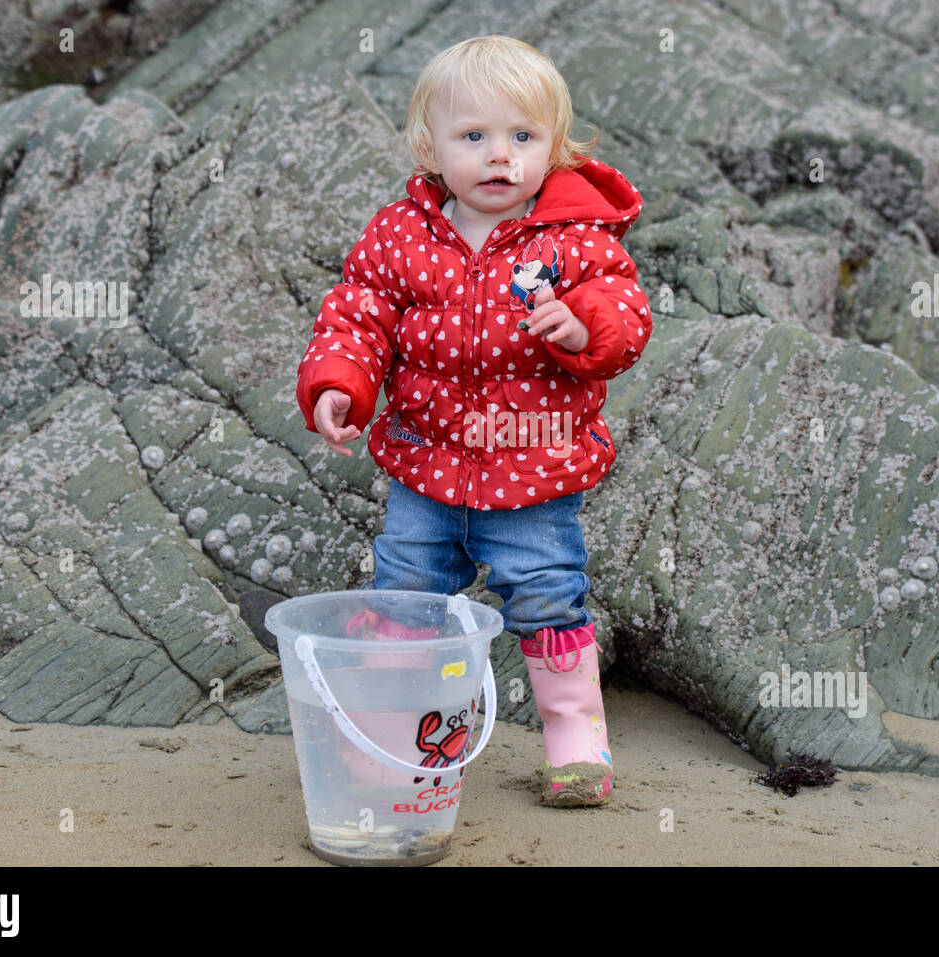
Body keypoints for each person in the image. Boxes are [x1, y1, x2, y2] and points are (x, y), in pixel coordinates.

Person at [296, 35, 652, 806]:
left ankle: (575, 742)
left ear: (555, 147)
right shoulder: (403, 235)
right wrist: (342, 385)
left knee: (549, 595)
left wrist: (584, 326)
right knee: (406, 599)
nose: (500, 157)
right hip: (427, 470)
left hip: (534, 469)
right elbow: (358, 317)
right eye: (474, 137)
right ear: (431, 145)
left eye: (522, 137)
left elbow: (627, 311)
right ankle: (400, 739)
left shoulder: (576, 241)